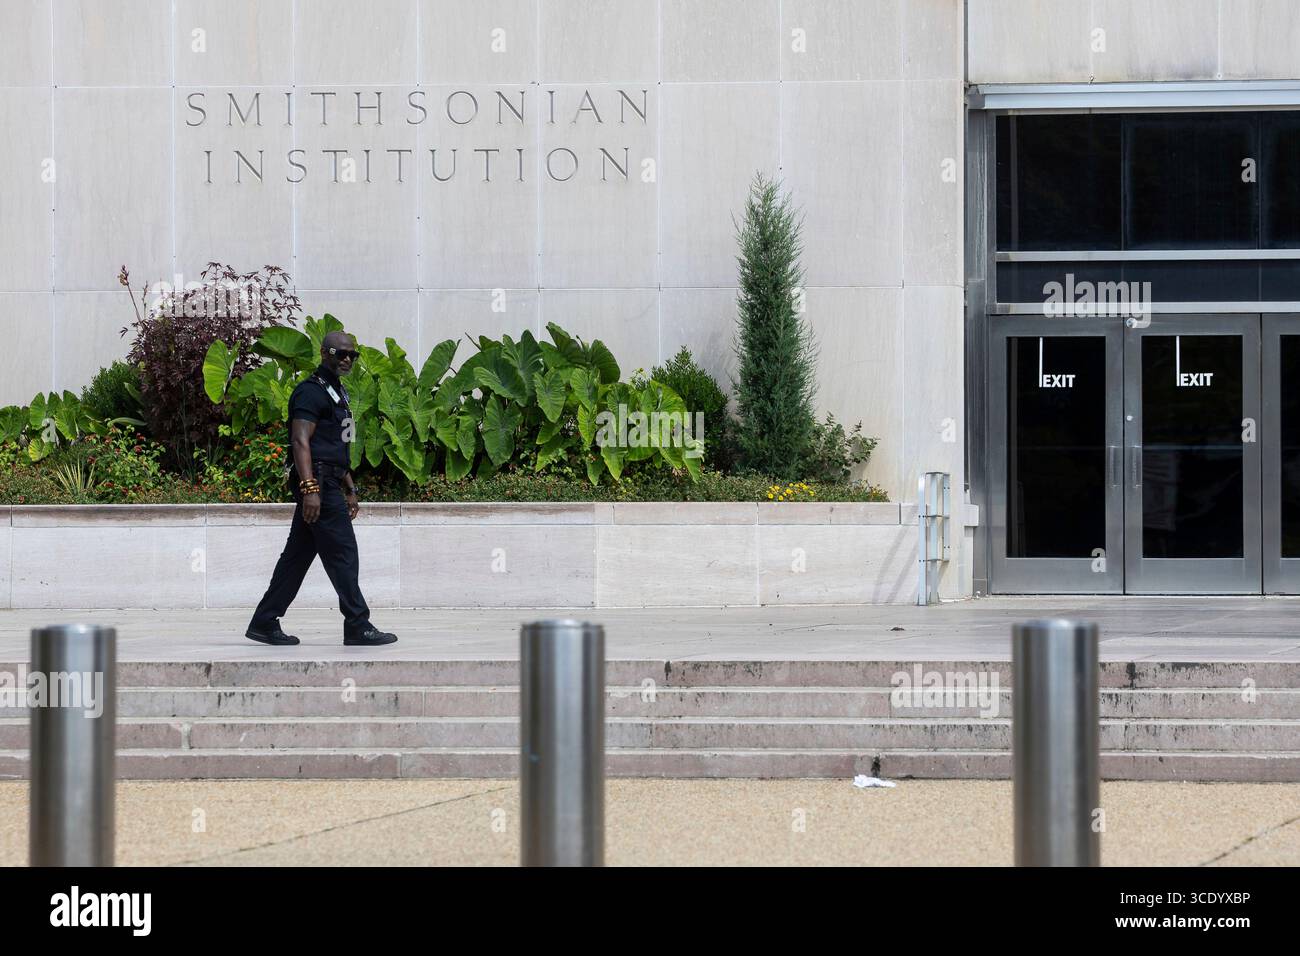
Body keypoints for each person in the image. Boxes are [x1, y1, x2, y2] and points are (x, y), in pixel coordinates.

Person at [245, 331, 397, 646]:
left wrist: (350, 486)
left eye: (351, 355)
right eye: (339, 353)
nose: (346, 359)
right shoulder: (310, 393)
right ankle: (358, 624)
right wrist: (309, 488)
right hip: (316, 482)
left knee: (297, 556)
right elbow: (301, 441)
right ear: (323, 353)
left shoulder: (337, 394)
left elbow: (336, 447)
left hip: (330, 479)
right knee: (343, 552)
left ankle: (263, 621)